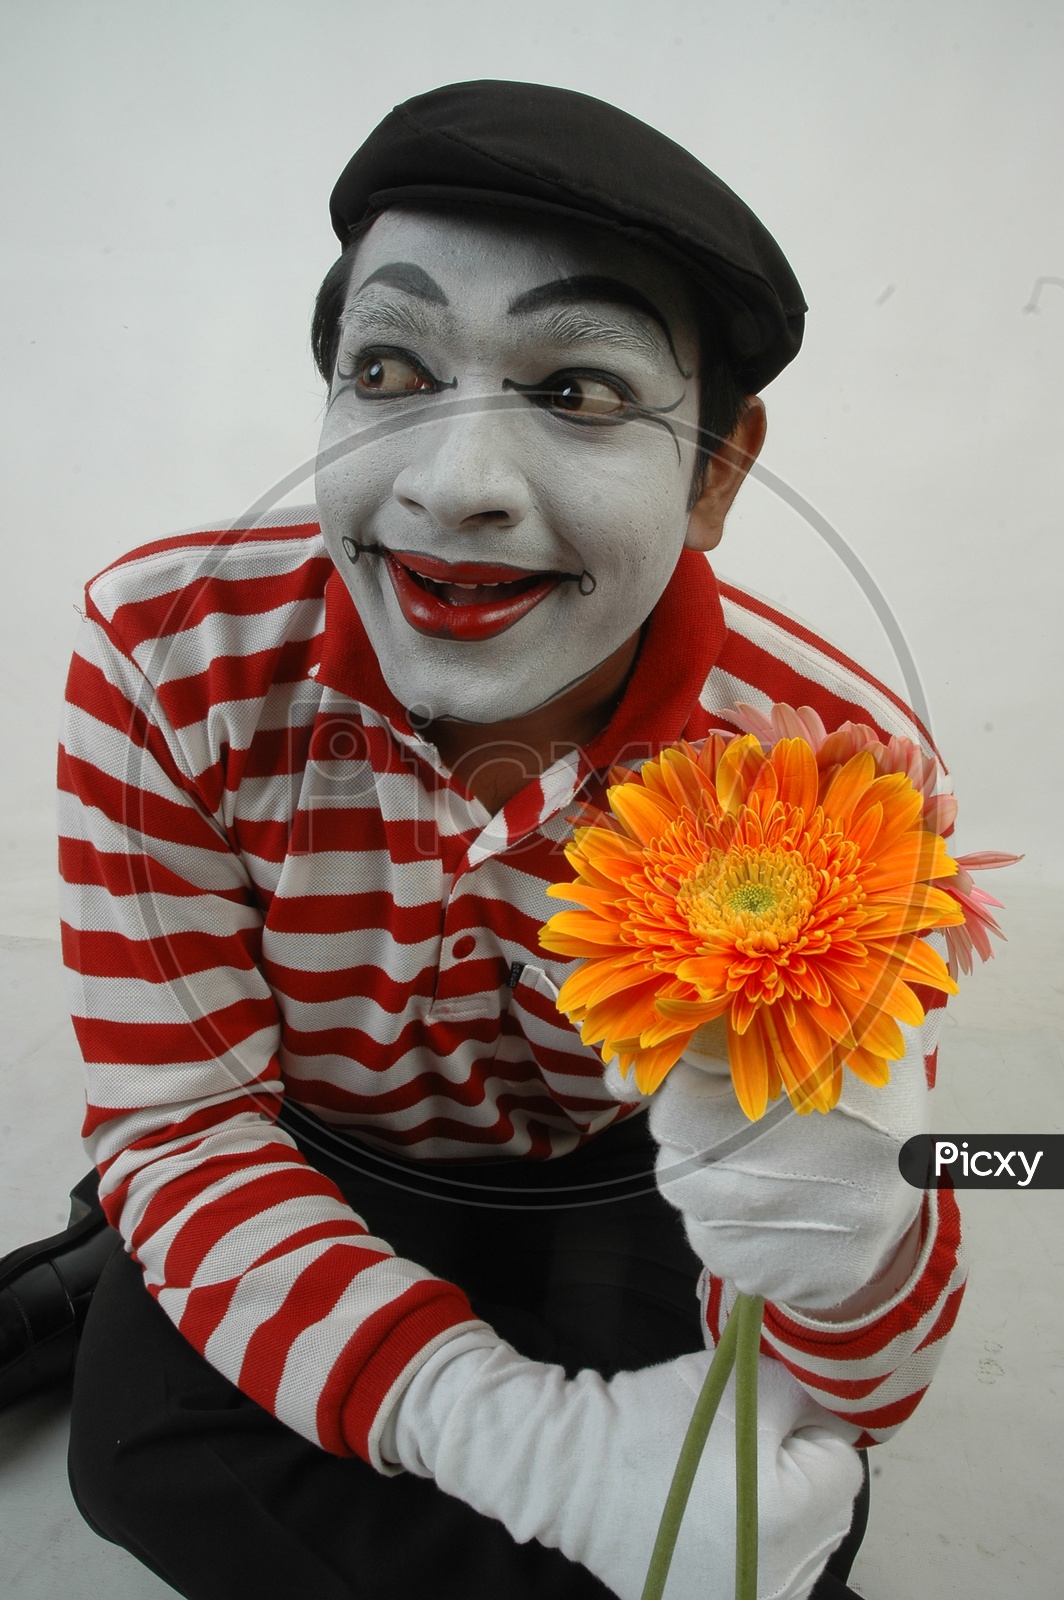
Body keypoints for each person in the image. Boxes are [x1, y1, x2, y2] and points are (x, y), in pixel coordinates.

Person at [4, 82, 966, 1599]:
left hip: (616, 1174)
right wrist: (517, 1439)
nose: (455, 488)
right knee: (138, 1445)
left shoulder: (837, 779)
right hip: (307, 1140)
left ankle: (111, 1275)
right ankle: (109, 1268)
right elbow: (186, 1122)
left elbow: (870, 1370)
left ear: (716, 470)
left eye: (578, 392)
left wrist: (857, 1241)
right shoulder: (158, 651)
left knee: (786, 1524)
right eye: (388, 368)